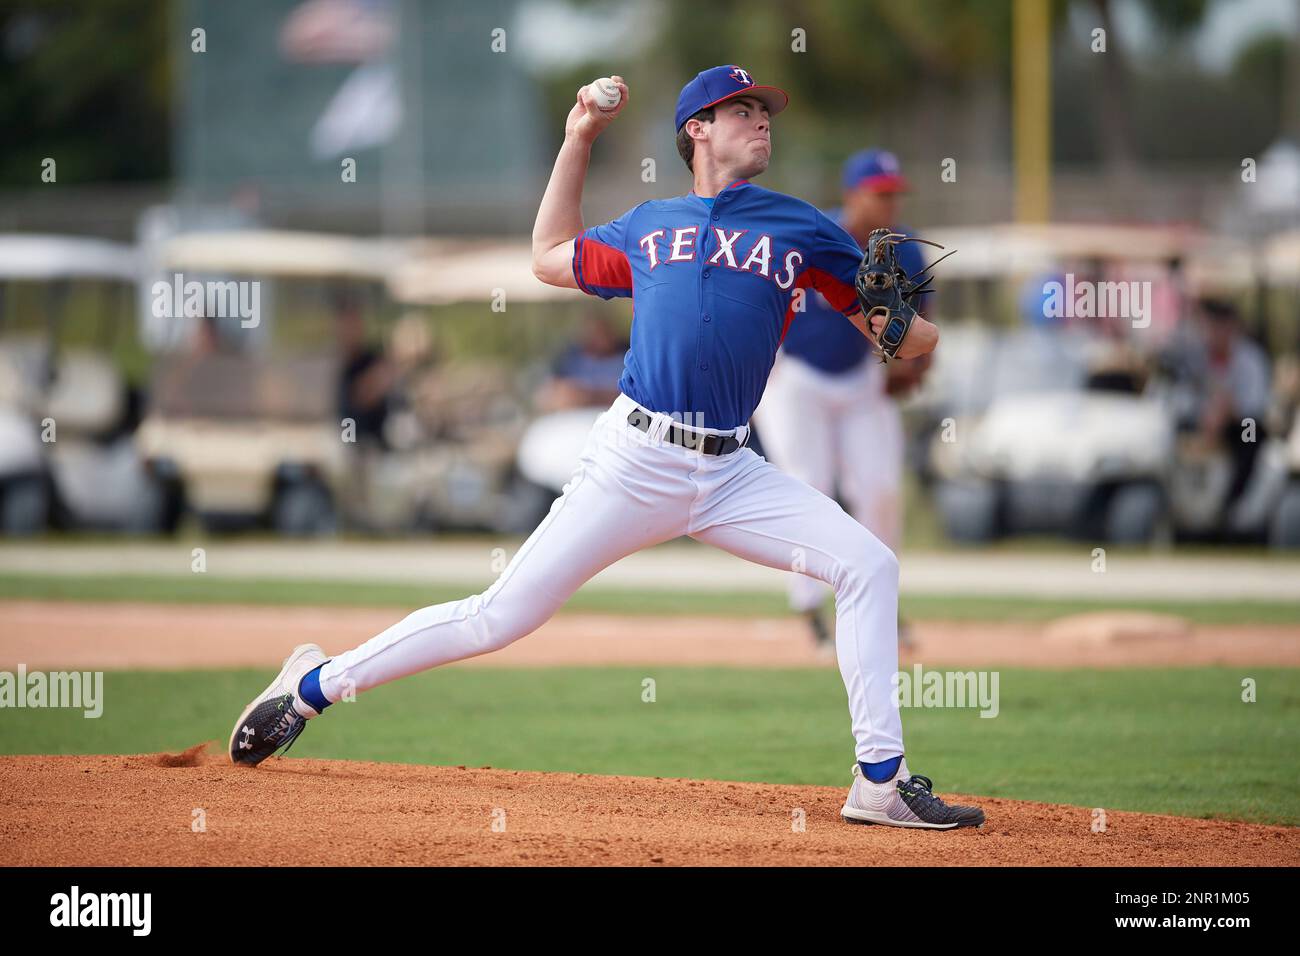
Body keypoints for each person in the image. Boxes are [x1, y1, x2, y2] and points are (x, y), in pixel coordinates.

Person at [227, 66, 983, 830]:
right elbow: (549, 253)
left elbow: (911, 342)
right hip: (635, 461)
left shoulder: (800, 226)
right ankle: (311, 687)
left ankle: (878, 783)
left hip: (732, 473)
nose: (763, 122)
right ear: (697, 128)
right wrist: (578, 137)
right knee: (500, 617)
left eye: (765, 111)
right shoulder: (650, 225)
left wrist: (899, 312)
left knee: (870, 564)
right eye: (743, 110)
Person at [753, 149, 929, 650]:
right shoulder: (814, 237)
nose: (891, 202)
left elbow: (918, 321)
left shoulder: (905, 251)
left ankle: (882, 603)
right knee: (810, 487)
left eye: (896, 193)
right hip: (795, 377)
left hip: (860, 381)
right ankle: (810, 607)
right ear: (852, 194)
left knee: (879, 490)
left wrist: (915, 365)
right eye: (881, 193)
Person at [536, 312, 628, 411]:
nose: (600, 338)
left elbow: (632, 396)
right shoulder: (572, 361)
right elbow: (546, 397)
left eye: (603, 332)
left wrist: (589, 397)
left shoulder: (625, 359)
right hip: (577, 419)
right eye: (594, 332)